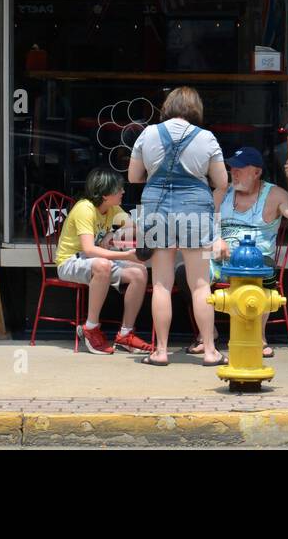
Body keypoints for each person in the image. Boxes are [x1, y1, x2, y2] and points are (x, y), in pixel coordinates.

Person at [127, 86, 228, 366]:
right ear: (195, 108)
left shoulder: (148, 134)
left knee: (160, 283)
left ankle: (160, 351)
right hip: (195, 207)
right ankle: (209, 351)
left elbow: (134, 176)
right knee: (199, 284)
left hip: (156, 207)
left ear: (168, 106)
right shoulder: (206, 138)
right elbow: (221, 182)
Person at [187, 146, 288, 359]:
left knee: (264, 271)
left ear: (257, 172)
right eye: (232, 168)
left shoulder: (273, 195)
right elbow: (204, 224)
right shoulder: (223, 191)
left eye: (240, 169)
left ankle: (259, 336)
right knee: (188, 272)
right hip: (221, 262)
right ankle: (208, 334)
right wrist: (216, 239)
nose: (233, 172)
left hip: (256, 263)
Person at [54, 168, 154, 355]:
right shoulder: (85, 209)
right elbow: (89, 249)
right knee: (102, 265)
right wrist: (126, 256)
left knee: (139, 272)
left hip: (92, 260)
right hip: (70, 261)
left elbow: (133, 226)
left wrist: (113, 232)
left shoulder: (112, 208)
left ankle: (126, 334)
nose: (123, 192)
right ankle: (90, 328)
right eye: (119, 189)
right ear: (105, 194)